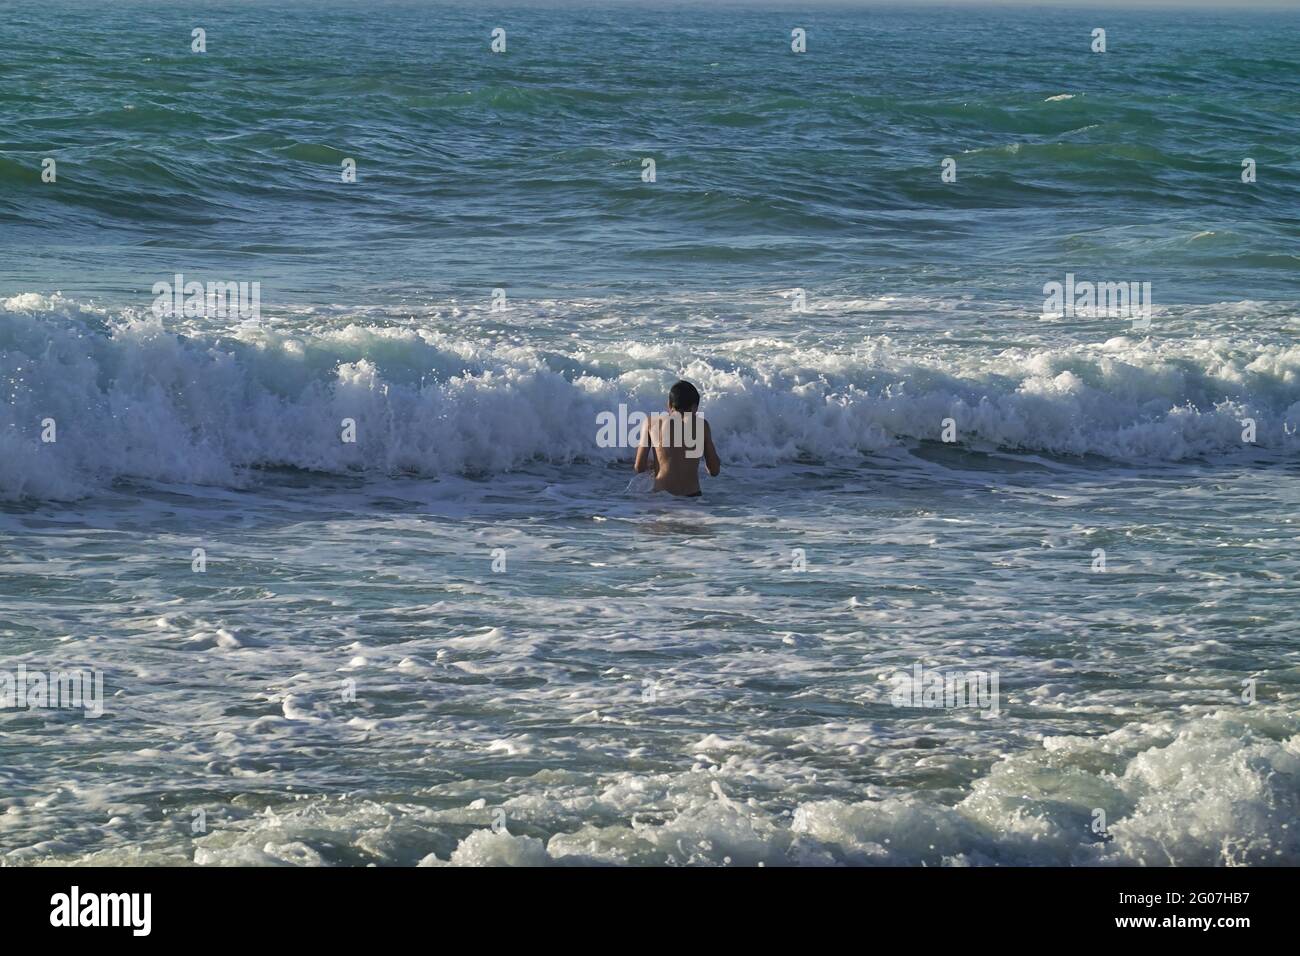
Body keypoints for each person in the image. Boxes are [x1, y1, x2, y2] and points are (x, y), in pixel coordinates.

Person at [633, 381, 720, 496]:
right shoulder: (701, 425)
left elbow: (639, 467)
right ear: (695, 407)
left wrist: (655, 464)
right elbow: (714, 471)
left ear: (669, 404)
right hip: (692, 497)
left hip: (662, 497)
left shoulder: (651, 423)